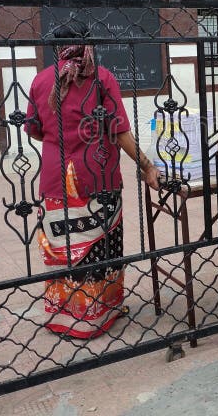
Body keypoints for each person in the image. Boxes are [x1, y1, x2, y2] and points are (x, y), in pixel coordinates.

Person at [25, 21, 160, 338]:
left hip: (56, 177)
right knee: (101, 248)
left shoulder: (41, 80)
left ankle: (63, 316)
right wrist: (147, 166)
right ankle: (98, 316)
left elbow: (33, 129)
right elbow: (120, 131)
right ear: (88, 46)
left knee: (63, 247)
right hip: (97, 176)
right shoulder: (102, 79)